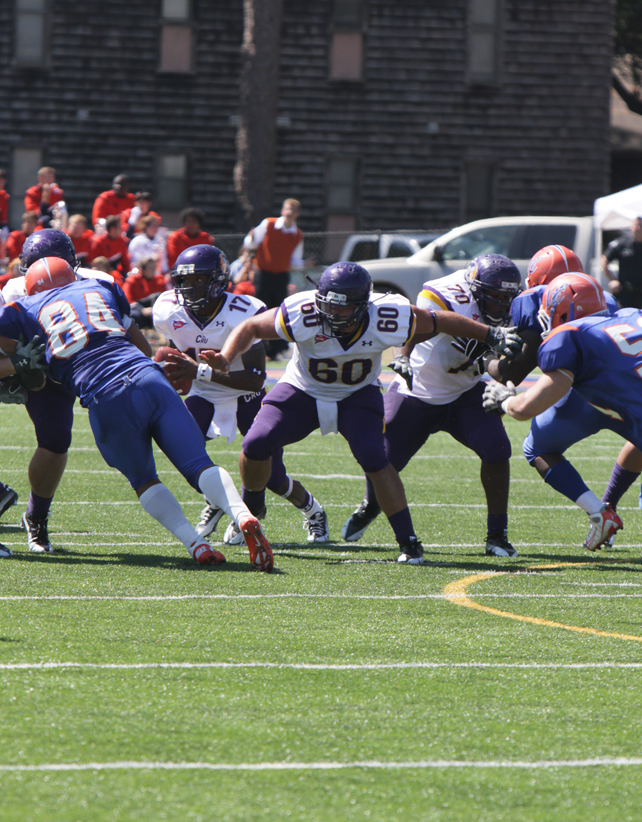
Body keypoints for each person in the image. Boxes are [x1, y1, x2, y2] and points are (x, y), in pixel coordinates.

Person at [200, 261, 522, 565]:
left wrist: (490, 335)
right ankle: (253, 507)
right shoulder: (303, 311)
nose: (332, 311)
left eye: (341, 306)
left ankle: (409, 541)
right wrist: (227, 359)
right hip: (303, 389)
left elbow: (437, 320)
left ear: (363, 305)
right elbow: (252, 326)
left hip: (357, 394)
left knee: (375, 457)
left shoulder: (386, 313)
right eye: (328, 303)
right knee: (256, 442)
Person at [0, 261, 274, 572]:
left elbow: (15, 355)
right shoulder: (102, 286)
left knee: (143, 480)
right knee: (199, 465)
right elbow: (132, 333)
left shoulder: (20, 309)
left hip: (106, 396)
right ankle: (243, 515)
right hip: (149, 377)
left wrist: (17, 365)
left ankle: (195, 544)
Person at [340, 254, 523, 558]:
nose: (501, 304)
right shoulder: (445, 295)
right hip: (419, 391)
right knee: (382, 460)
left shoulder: (518, 307)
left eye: (507, 297)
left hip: (466, 391)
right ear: (475, 289)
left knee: (497, 448)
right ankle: (371, 504)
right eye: (493, 296)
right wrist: (403, 356)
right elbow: (412, 323)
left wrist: (494, 369)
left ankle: (497, 536)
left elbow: (504, 366)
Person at [153, 244, 330, 545]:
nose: (191, 288)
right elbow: (176, 352)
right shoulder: (168, 310)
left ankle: (312, 509)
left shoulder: (244, 311)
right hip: (203, 393)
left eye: (199, 280)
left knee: (270, 476)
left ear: (219, 280)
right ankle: (220, 500)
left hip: (244, 394)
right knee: (185, 453)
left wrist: (200, 372)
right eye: (185, 281)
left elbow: (254, 379)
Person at [485, 246, 638, 548]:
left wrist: (504, 399)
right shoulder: (630, 314)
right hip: (616, 397)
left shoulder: (569, 333)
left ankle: (600, 512)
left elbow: (525, 403)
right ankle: (606, 509)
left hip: (589, 394)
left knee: (538, 447)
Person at [244, 198, 310, 360]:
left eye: (293, 210)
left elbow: (294, 261)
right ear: (282, 210)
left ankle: (274, 351)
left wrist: (305, 264)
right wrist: (251, 238)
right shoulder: (268, 224)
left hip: (281, 276)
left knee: (278, 312)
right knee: (260, 309)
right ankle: (257, 347)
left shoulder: (297, 234)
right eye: (287, 209)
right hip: (263, 273)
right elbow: (250, 244)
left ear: (297, 214)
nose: (289, 212)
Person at [602, 217, 642, 309]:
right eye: (637, 225)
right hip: (626, 294)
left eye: (641, 226)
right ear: (631, 227)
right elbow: (604, 260)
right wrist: (612, 279)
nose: (638, 228)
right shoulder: (623, 243)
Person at [123, 256, 168, 328]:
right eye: (150, 268)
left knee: (158, 297)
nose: (153, 270)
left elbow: (165, 299)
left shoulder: (159, 280)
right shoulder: (132, 281)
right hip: (138, 308)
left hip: (154, 309)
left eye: (154, 267)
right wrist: (142, 310)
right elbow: (128, 300)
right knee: (134, 316)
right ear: (142, 269)